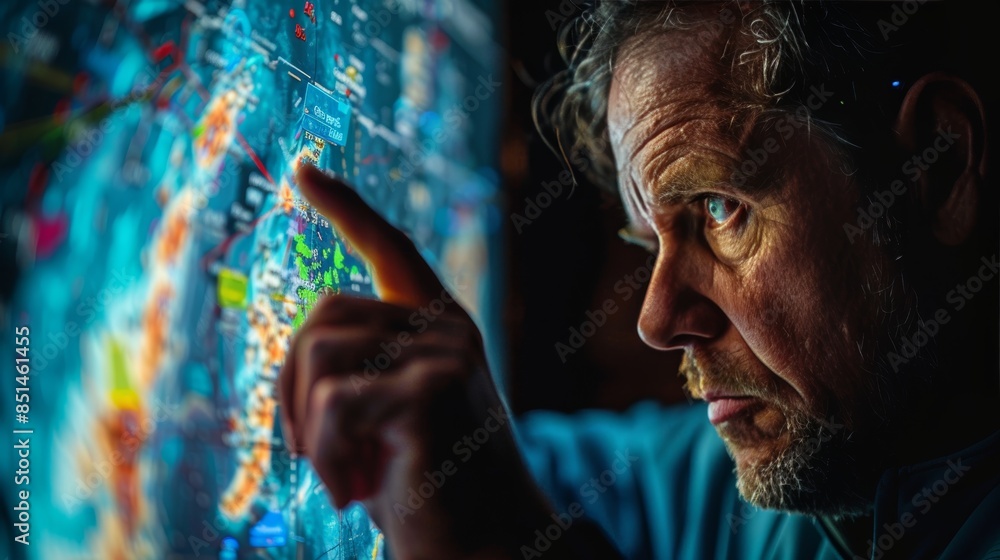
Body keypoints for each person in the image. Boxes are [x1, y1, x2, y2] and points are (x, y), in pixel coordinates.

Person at [278, 2, 999, 559]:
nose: (656, 319)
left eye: (719, 210)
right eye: (649, 240)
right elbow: (511, 464)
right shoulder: (726, 472)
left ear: (935, 167)